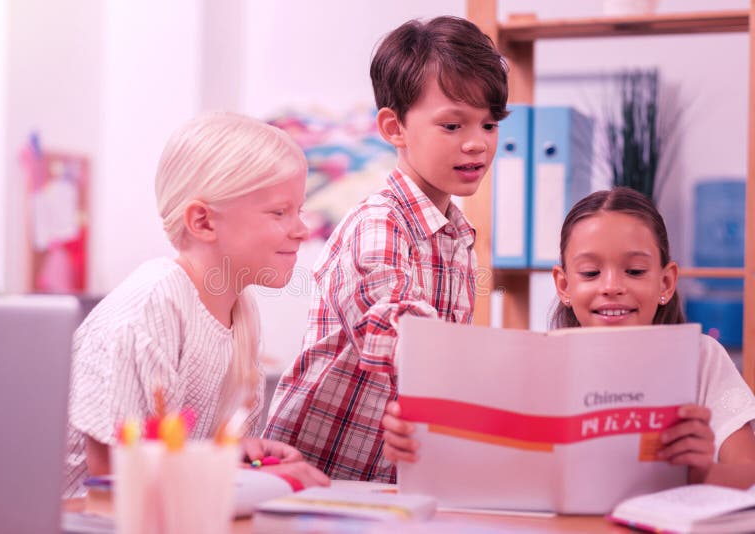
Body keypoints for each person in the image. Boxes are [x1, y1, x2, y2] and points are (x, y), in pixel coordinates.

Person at [263, 15, 509, 483]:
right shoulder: (379, 223)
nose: (477, 143)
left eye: (490, 124)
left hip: (388, 486)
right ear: (394, 128)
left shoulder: (456, 236)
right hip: (317, 482)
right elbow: (397, 325)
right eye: (453, 125)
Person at [382, 187, 755, 487]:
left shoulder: (701, 358)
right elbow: (480, 472)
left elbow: (748, 474)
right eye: (591, 273)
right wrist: (417, 445)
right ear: (563, 285)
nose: (611, 287)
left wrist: (703, 472)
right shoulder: (533, 363)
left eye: (635, 270)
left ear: (666, 282)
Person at [63, 111, 329, 497]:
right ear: (203, 222)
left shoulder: (241, 309)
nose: (302, 230)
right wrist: (266, 483)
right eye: (279, 212)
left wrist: (233, 455)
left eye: (299, 210)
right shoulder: (152, 305)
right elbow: (116, 480)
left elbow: (174, 456)